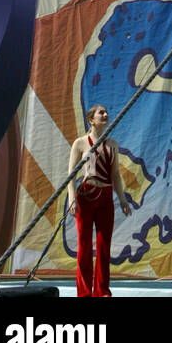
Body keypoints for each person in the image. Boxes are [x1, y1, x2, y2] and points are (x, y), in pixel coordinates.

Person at [67, 104, 131, 298]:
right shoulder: (80, 143)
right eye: (100, 112)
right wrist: (71, 197)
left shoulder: (112, 145)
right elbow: (71, 174)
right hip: (86, 195)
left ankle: (102, 291)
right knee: (85, 246)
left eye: (106, 112)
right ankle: (84, 292)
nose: (105, 114)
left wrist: (122, 199)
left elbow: (116, 175)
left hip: (105, 196)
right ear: (91, 120)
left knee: (104, 246)